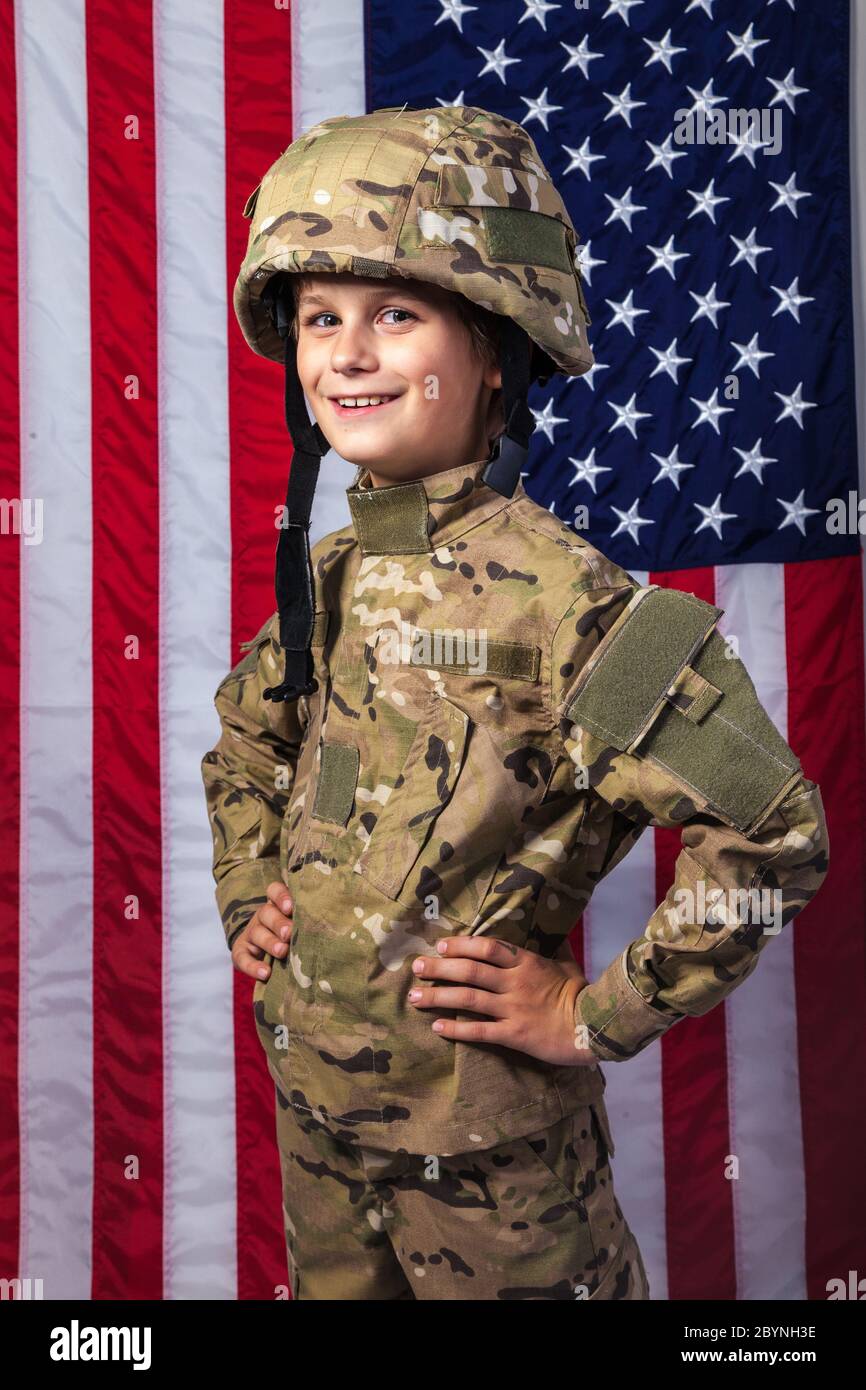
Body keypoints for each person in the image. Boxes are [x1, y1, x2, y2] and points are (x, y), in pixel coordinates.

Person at [200, 105, 830, 1301]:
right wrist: (249, 894)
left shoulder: (570, 603)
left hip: (491, 1174)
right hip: (320, 1131)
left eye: (394, 314)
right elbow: (244, 748)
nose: (345, 354)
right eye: (321, 319)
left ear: (494, 342)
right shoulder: (332, 574)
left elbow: (773, 828)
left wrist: (595, 1013)